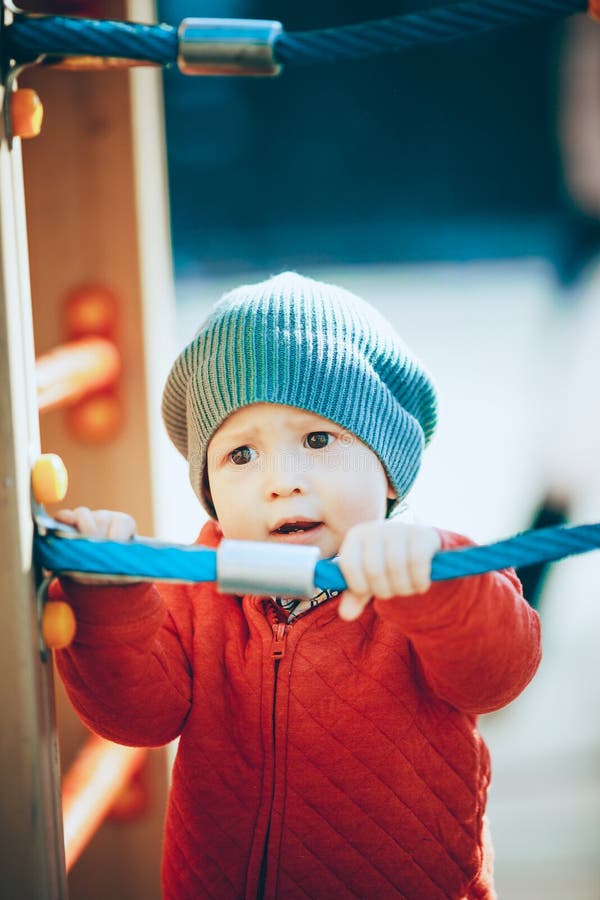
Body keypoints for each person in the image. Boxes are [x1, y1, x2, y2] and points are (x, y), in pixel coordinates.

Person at [53, 272, 542, 899]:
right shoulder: (198, 591)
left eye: (317, 439)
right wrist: (107, 598)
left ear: (389, 473)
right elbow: (138, 718)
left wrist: (435, 586)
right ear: (209, 490)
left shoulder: (432, 569)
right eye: (241, 455)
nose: (281, 480)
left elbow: (499, 674)